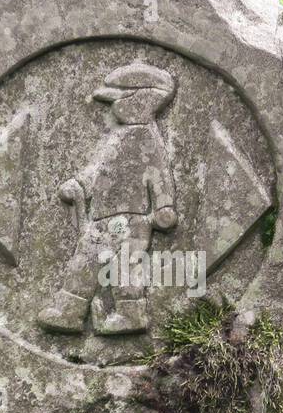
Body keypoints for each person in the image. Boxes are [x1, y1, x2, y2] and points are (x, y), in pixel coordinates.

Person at [36, 63, 178, 335]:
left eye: (117, 101)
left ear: (141, 100)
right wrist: (79, 184)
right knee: (84, 262)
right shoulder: (116, 138)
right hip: (101, 219)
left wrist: (164, 207)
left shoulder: (149, 139)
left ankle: (130, 314)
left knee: (125, 268)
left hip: (133, 221)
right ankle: (69, 311)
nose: (112, 108)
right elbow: (98, 170)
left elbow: (159, 176)